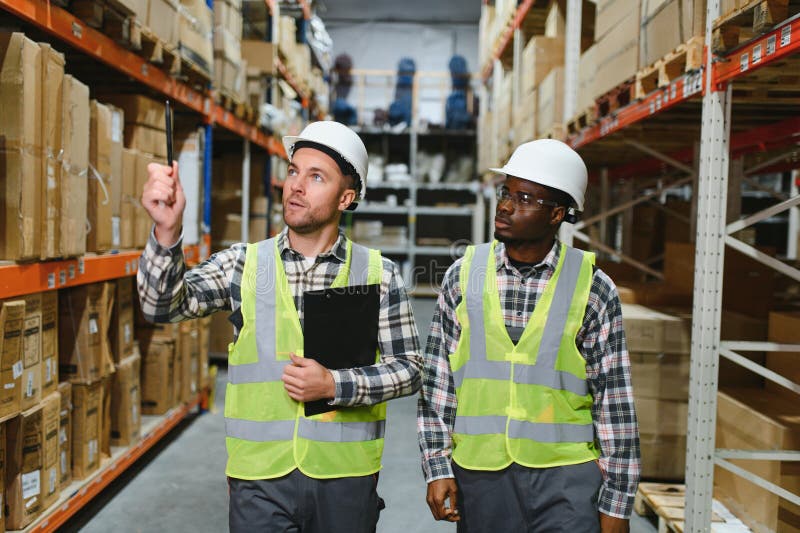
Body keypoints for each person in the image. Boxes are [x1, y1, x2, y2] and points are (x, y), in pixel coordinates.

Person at [137, 121, 422, 532]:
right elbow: (160, 306)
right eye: (293, 171)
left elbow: (410, 368)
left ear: (346, 197)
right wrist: (166, 231)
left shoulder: (378, 273)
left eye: (316, 176)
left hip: (344, 478)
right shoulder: (243, 263)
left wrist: (335, 386)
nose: (296, 186)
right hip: (259, 480)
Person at [417, 139, 640, 532]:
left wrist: (617, 505)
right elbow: (437, 384)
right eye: (506, 192)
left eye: (523, 198)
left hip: (567, 482)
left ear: (556, 213)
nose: (505, 205)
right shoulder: (463, 276)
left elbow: (615, 404)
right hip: (482, 475)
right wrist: (436, 466)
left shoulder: (593, 288)